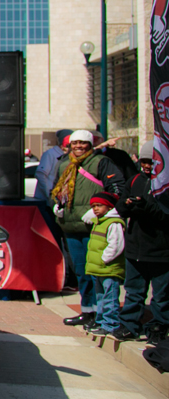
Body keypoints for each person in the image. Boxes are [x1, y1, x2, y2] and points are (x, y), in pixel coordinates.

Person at [51, 129, 125, 328]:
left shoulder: (101, 162)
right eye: (75, 143)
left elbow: (117, 188)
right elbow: (56, 188)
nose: (78, 147)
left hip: (94, 226)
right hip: (70, 226)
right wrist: (58, 203)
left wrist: (100, 210)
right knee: (81, 271)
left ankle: (101, 314)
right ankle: (87, 311)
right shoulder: (64, 164)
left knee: (97, 272)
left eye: (83, 143)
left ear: (90, 145)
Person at [116, 140, 169, 343]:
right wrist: (128, 205)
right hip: (135, 249)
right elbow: (121, 207)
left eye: (152, 162)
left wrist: (146, 206)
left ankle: (159, 326)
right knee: (134, 291)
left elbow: (166, 215)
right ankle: (129, 325)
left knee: (162, 295)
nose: (147, 166)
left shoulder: (165, 184)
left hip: (161, 250)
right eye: (145, 161)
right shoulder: (135, 180)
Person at [82, 192, 126, 337]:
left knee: (110, 298)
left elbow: (116, 245)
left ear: (109, 207)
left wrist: (104, 259)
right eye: (93, 206)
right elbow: (85, 217)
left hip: (109, 269)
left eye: (99, 205)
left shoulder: (113, 223)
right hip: (100, 269)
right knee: (101, 297)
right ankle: (101, 322)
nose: (95, 209)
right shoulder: (98, 222)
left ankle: (110, 324)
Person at [33, 128, 72, 202]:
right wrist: (49, 194)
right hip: (46, 199)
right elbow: (40, 174)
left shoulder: (69, 156)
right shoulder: (50, 154)